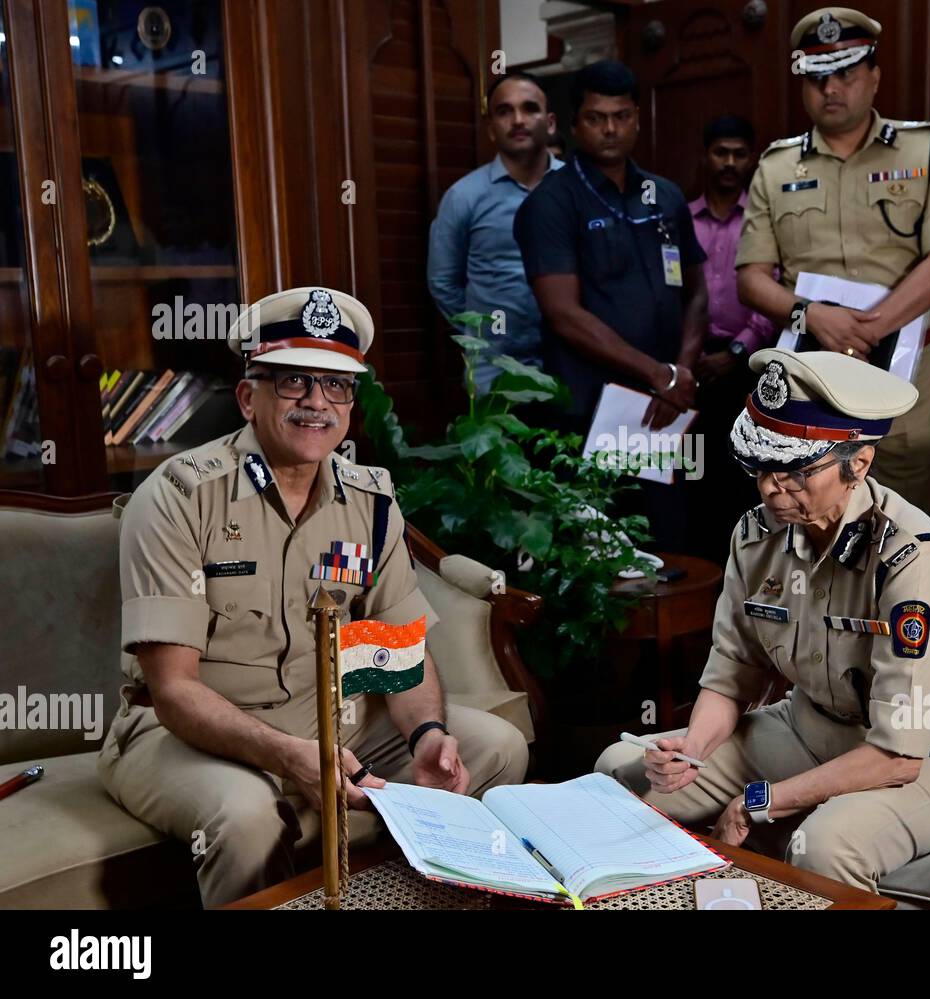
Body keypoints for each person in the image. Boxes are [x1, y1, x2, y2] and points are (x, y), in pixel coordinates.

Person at [98, 288, 529, 907]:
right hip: (182, 733)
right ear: (249, 397)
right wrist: (293, 754)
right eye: (295, 381)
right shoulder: (178, 497)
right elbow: (173, 691)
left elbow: (397, 653)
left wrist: (427, 736)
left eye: (337, 387)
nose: (317, 404)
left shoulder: (371, 504)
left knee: (497, 747)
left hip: (329, 725)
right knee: (248, 818)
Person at [595, 348, 930, 893]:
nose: (772, 487)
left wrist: (760, 801)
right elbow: (731, 676)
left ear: (857, 464)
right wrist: (691, 752)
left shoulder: (907, 556)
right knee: (622, 768)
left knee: (824, 846)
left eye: (794, 470)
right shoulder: (754, 535)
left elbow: (896, 756)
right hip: (811, 727)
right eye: (760, 466)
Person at [735, 7, 930, 521]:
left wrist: (869, 330)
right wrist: (812, 316)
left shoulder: (925, 147)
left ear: (875, 77)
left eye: (846, 73)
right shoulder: (777, 166)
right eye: (818, 78)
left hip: (905, 373)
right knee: (806, 517)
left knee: (902, 524)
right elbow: (751, 279)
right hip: (808, 373)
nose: (831, 88)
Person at [514, 59, 709, 550]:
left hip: (667, 411)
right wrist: (657, 374)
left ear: (637, 119)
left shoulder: (664, 195)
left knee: (672, 539)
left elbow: (697, 291)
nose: (610, 128)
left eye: (621, 116)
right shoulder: (551, 203)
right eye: (597, 117)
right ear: (575, 124)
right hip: (593, 414)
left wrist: (680, 375)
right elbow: (564, 315)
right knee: (601, 549)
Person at [428, 72, 562, 387]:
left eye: (530, 108)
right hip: (494, 368)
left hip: (570, 360)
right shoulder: (464, 196)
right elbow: (443, 282)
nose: (518, 120)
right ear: (491, 129)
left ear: (551, 122)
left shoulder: (577, 190)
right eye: (504, 111)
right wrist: (485, 330)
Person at [688, 114, 777, 566]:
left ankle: (745, 568)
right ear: (705, 156)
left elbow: (773, 293)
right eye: (720, 152)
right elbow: (677, 295)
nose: (729, 162)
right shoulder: (683, 219)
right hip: (692, 366)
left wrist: (737, 349)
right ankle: (699, 567)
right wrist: (695, 353)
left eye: (739, 154)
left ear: (752, 159)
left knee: (742, 471)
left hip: (749, 364)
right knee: (693, 469)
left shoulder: (762, 223)